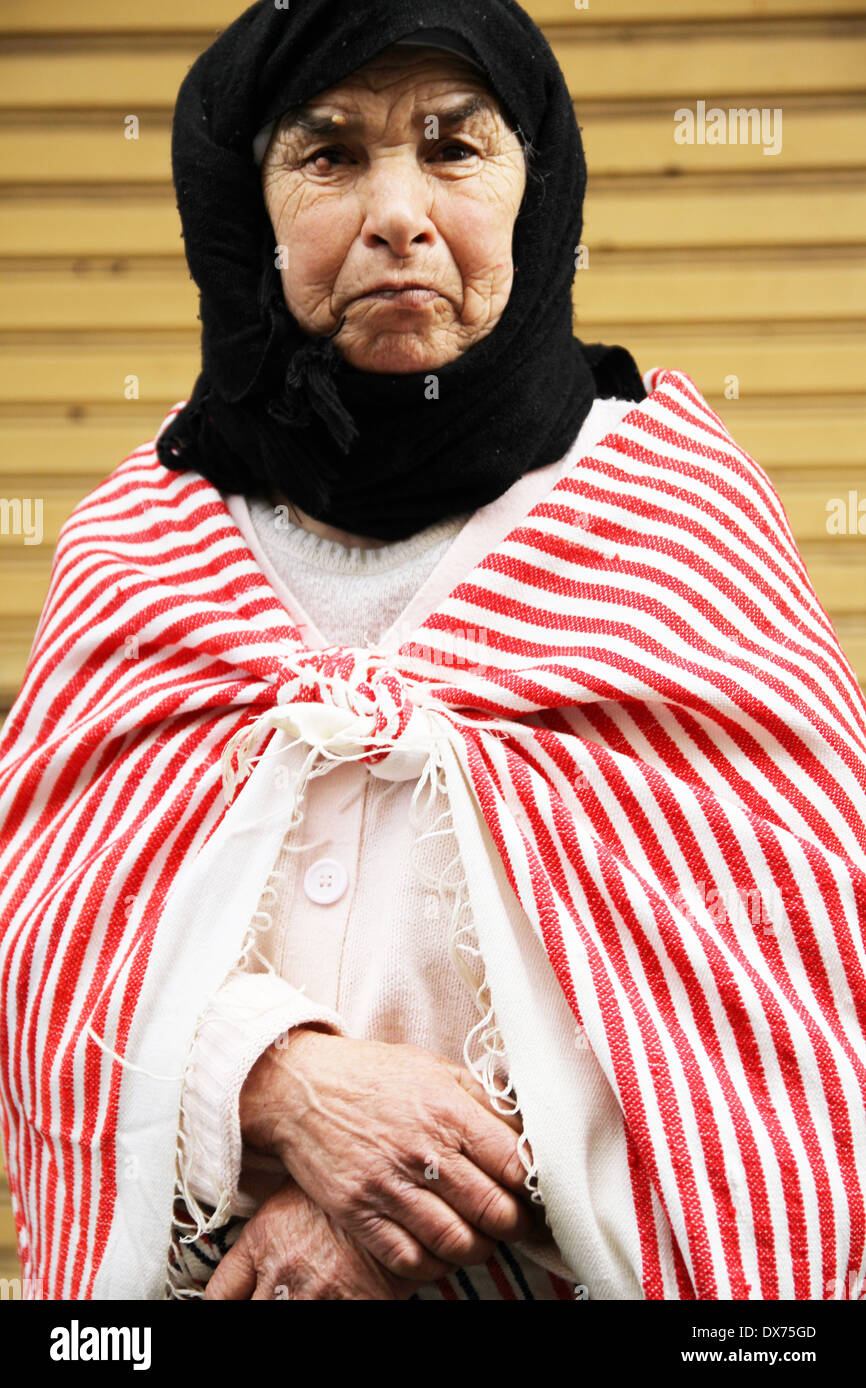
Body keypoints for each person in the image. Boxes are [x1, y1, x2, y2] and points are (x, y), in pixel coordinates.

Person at [1, 0, 864, 1304]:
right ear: (244, 209)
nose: (397, 211)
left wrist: (400, 1205)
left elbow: (782, 1012)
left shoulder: (670, 515)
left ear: (536, 190)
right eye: (331, 155)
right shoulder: (140, 539)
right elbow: (46, 937)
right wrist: (268, 1078)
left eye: (453, 149)